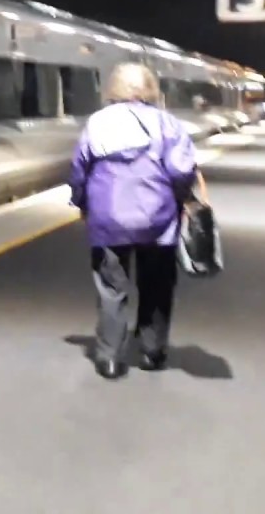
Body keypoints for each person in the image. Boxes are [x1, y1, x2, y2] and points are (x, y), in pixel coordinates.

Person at [68, 62, 202, 380]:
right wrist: (184, 198)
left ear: (112, 89)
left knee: (111, 288)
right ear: (151, 89)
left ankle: (110, 359)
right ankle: (153, 352)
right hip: (158, 218)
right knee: (156, 285)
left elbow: (78, 170)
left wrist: (81, 203)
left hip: (108, 217)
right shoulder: (166, 123)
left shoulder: (97, 123)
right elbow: (183, 170)